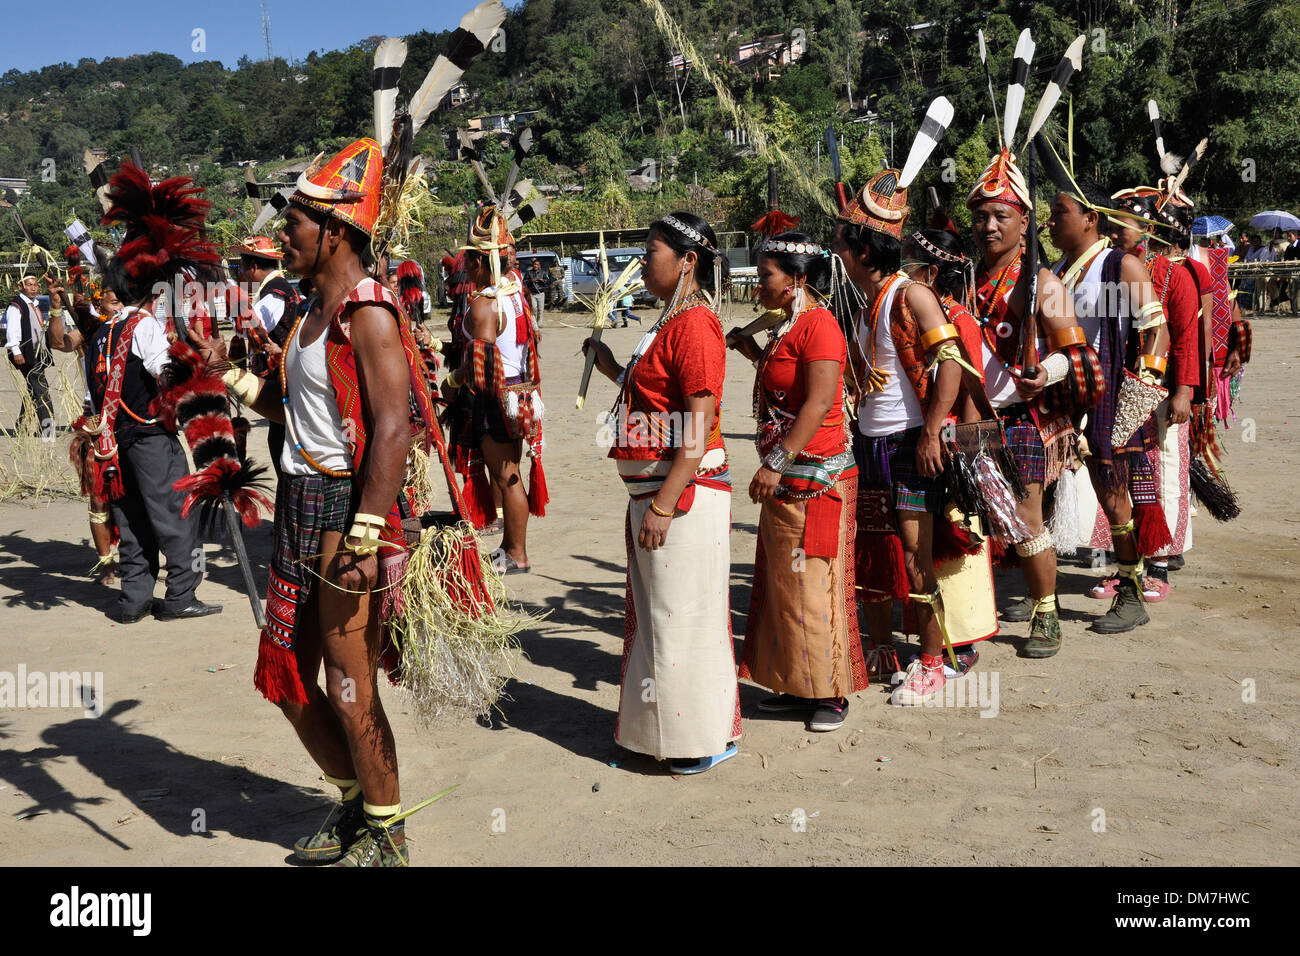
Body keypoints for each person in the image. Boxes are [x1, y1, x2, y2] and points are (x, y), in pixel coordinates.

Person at [203, 136, 437, 866]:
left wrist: (368, 536)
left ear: (334, 229)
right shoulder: (310, 307)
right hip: (299, 504)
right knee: (285, 674)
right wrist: (231, 379)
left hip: (346, 512)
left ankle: (388, 835)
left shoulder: (367, 308)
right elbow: (291, 406)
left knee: (348, 683)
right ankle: (349, 805)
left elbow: (394, 427)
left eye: (296, 224)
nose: (283, 236)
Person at [581, 211, 740, 773]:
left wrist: (666, 505)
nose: (643, 262)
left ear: (687, 262)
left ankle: (697, 740)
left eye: (652, 252)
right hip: (656, 495)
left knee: (684, 621)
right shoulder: (669, 323)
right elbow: (655, 402)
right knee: (659, 620)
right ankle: (664, 736)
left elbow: (695, 429)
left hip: (682, 497)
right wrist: (611, 370)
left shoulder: (696, 326)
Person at [833, 165, 990, 704]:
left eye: (841, 244)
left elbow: (952, 363)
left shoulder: (911, 296)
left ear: (863, 249)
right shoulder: (867, 302)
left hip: (905, 445)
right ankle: (881, 647)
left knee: (918, 554)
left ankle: (929, 660)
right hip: (870, 444)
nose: (837, 253)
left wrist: (929, 432)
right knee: (876, 551)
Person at [728, 233, 865, 731]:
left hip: (819, 479)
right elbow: (791, 387)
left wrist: (775, 464)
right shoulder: (790, 326)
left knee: (818, 586)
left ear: (797, 281)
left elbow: (818, 403)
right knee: (786, 586)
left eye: (766, 276)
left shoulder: (821, 327)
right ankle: (797, 685)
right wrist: (753, 353)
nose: (759, 285)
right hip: (791, 480)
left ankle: (831, 694)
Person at [967, 144, 1095, 658]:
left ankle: (1046, 613)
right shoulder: (966, 278)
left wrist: (1045, 372)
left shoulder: (1042, 282)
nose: (989, 226)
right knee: (973, 514)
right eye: (981, 216)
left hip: (1024, 418)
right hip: (973, 418)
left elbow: (1078, 354)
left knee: (1025, 517)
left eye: (1001, 216)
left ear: (1025, 223)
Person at [88, 164, 222, 625]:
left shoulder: (100, 333)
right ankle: (180, 595)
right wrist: (200, 365)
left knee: (130, 522)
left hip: (110, 443)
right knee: (172, 516)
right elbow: (163, 371)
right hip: (147, 436)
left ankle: (133, 600)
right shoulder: (142, 324)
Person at [1046, 179, 1171, 632]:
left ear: (1089, 218)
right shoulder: (1058, 269)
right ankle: (1041, 597)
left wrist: (1138, 397)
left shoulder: (1121, 266)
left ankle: (1132, 594)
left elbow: (1158, 333)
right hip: (1060, 389)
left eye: (1060, 212)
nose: (1051, 222)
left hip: (1109, 393)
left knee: (1113, 497)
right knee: (1040, 483)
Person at [442, 208, 546, 569]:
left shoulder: (485, 305)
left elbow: (479, 362)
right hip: (519, 393)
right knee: (509, 471)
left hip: (496, 398)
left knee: (506, 476)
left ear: (479, 262)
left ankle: (517, 553)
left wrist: (452, 381)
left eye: (469, 258)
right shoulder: (514, 291)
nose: (465, 265)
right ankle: (509, 546)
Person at [1109, 191, 1203, 586]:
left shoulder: (1175, 275)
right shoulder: (1110, 271)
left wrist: (1184, 391)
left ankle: (1161, 561)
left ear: (1147, 230)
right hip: (1120, 389)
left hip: (1163, 392)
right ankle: (1127, 559)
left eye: (1123, 226)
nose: (1114, 233)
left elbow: (1185, 337)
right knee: (1122, 472)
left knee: (1164, 468)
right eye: (1110, 226)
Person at [235, 235, 301, 480]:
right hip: (284, 374)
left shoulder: (274, 294)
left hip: (281, 376)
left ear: (253, 268)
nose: (241, 273)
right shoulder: (276, 289)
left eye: (242, 268)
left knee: (280, 440)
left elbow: (249, 327)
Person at [6, 274, 55, 435]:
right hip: (25, 354)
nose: (33, 288)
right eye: (29, 285)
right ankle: (47, 430)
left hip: (37, 353)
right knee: (41, 389)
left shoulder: (35, 304)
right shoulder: (17, 305)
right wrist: (16, 351)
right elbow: (12, 330)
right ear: (21, 286)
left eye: (35, 285)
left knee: (32, 389)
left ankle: (21, 427)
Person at [523, 257, 549, 328]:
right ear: (533, 265)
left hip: (541, 293)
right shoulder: (529, 272)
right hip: (532, 293)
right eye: (535, 264)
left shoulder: (543, 272)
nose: (536, 266)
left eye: (537, 265)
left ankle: (539, 323)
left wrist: (543, 281)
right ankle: (533, 323)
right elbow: (524, 282)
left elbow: (547, 281)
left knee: (541, 309)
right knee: (534, 308)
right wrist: (531, 281)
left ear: (540, 266)